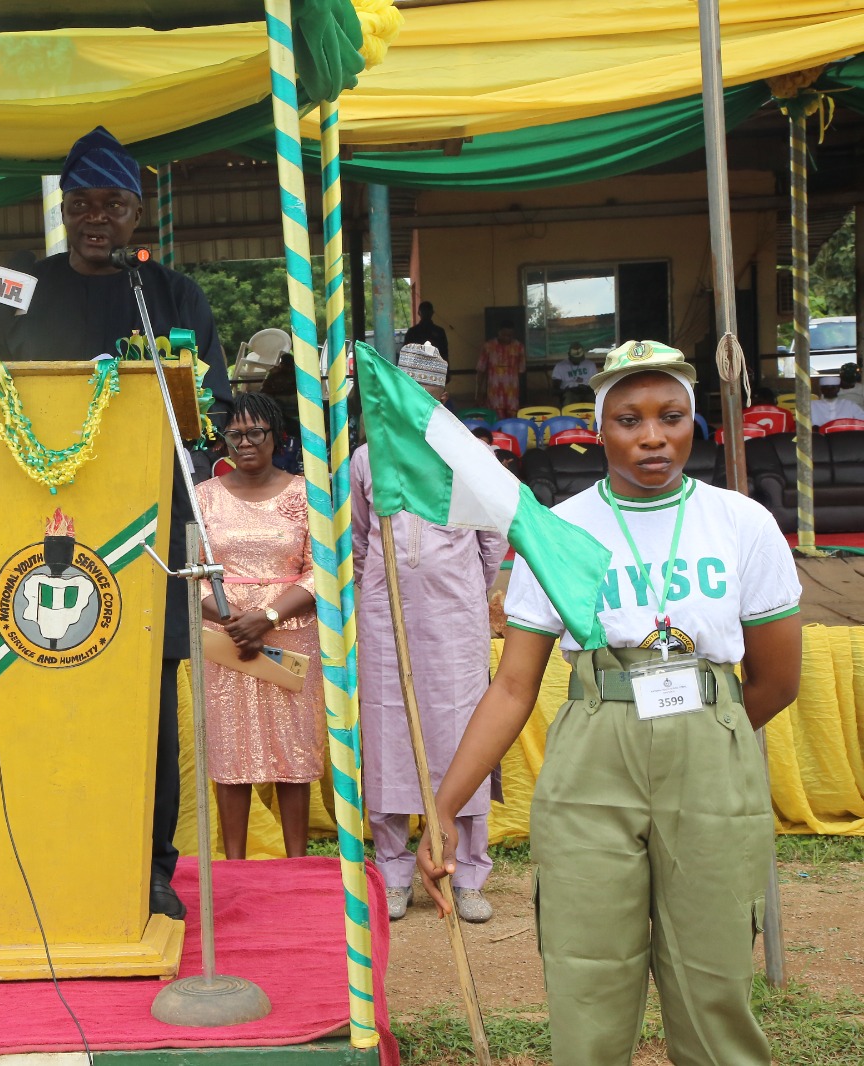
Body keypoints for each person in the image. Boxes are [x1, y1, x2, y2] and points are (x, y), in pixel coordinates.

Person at [417, 340, 803, 1065]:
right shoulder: (560, 531)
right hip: (593, 760)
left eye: (672, 416)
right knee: (588, 979)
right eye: (629, 419)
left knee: (714, 978)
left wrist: (704, 726)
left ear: (696, 423)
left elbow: (778, 681)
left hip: (710, 757)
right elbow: (513, 685)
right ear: (599, 429)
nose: (653, 436)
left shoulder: (742, 523)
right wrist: (445, 804)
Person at [0, 125, 233, 920]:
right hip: (32, 541)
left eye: (115, 204)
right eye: (82, 203)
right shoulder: (18, 288)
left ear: (139, 215)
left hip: (145, 543)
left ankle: (152, 867)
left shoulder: (168, 295)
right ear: (62, 208)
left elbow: (213, 409)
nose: (97, 217)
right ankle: (42, 854)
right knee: (44, 702)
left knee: (148, 714)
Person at [353, 343, 507, 923]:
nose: (416, 402)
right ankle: (393, 873)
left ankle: (468, 874)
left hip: (455, 625)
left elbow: (492, 541)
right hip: (384, 619)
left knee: (462, 734)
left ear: (441, 398)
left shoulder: (470, 456)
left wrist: (456, 588)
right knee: (389, 736)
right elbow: (363, 540)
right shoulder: (368, 459)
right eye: (405, 391)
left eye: (428, 394)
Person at [193, 393, 320, 859]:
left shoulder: (306, 494)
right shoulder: (202, 497)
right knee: (232, 751)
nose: (244, 442)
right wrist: (230, 619)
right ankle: (234, 865)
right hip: (225, 639)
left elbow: (320, 570)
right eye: (235, 434)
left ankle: (297, 863)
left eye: (255, 433)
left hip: (290, 631)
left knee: (294, 749)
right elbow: (192, 568)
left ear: (277, 435)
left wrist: (266, 617)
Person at [476, 322, 526, 419]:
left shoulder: (519, 347)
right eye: (504, 334)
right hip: (494, 393)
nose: (507, 337)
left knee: (511, 420)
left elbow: (521, 370)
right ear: (498, 332)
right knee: (495, 418)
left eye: (510, 335)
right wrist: (479, 392)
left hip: (512, 393)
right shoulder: (489, 346)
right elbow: (481, 369)